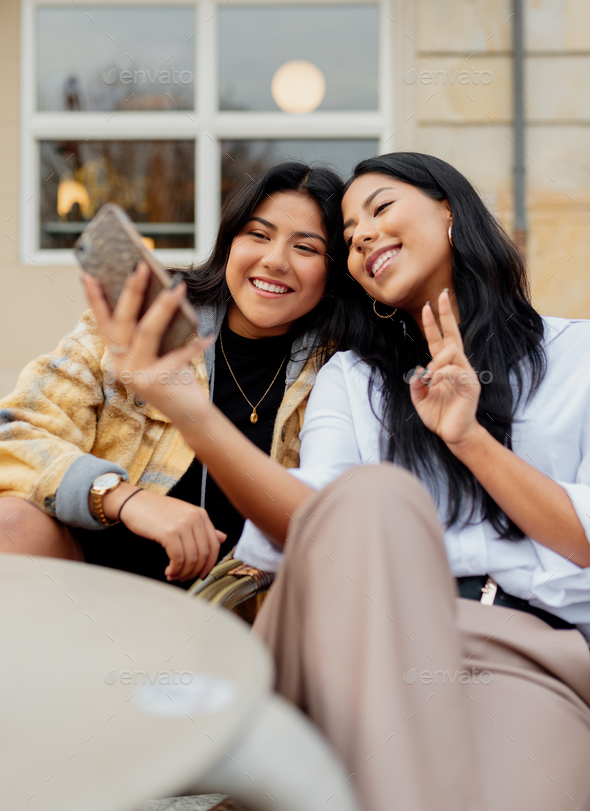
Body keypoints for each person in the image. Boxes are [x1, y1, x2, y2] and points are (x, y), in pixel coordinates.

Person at [82, 152, 590, 811]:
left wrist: (468, 439)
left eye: (379, 210)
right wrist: (189, 410)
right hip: (351, 646)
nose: (364, 238)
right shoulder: (353, 379)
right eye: (349, 237)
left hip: (517, 655)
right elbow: (308, 527)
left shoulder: (576, 356)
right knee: (375, 497)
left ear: (448, 209)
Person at [0, 161, 355, 586]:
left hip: (246, 610)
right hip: (99, 587)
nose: (275, 260)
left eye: (306, 248)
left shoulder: (340, 372)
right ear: (229, 244)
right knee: (13, 522)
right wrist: (122, 497)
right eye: (258, 235)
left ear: (333, 276)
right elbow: (15, 435)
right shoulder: (144, 325)